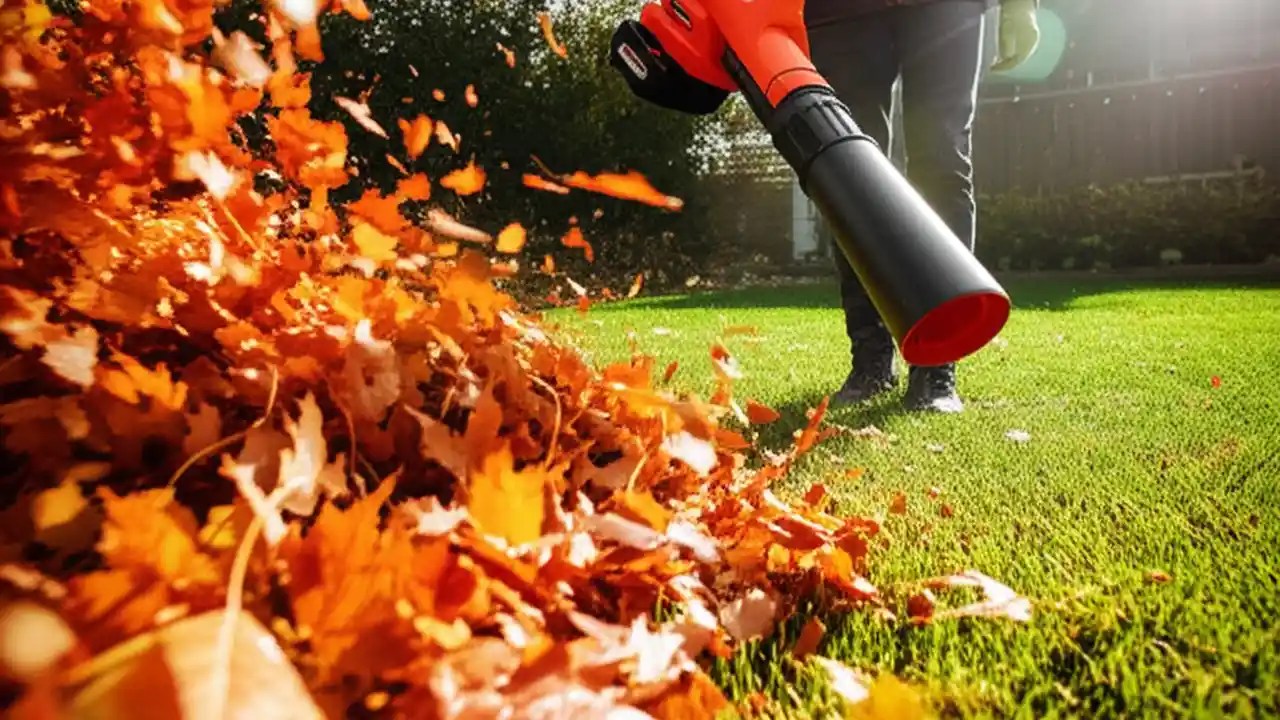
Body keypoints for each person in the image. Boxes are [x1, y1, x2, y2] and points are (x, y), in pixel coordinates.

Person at [804, 0, 1040, 413]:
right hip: (839, 11)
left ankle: (937, 361)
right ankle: (870, 357)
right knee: (847, 173)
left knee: (941, 159)